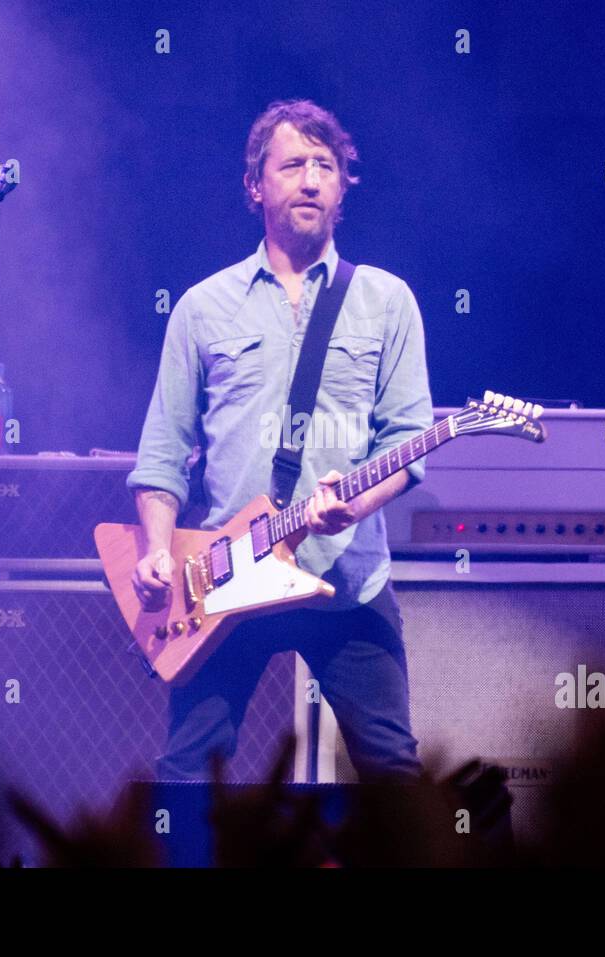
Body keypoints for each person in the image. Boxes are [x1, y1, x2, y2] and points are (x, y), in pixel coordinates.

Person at [125, 99, 433, 783]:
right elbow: (162, 454)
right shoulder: (203, 307)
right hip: (227, 576)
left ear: (343, 187)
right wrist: (153, 549)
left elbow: (410, 438)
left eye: (327, 166)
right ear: (255, 185)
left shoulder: (387, 300)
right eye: (293, 164)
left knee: (395, 775)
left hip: (346, 578)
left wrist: (354, 504)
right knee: (185, 774)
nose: (312, 179)